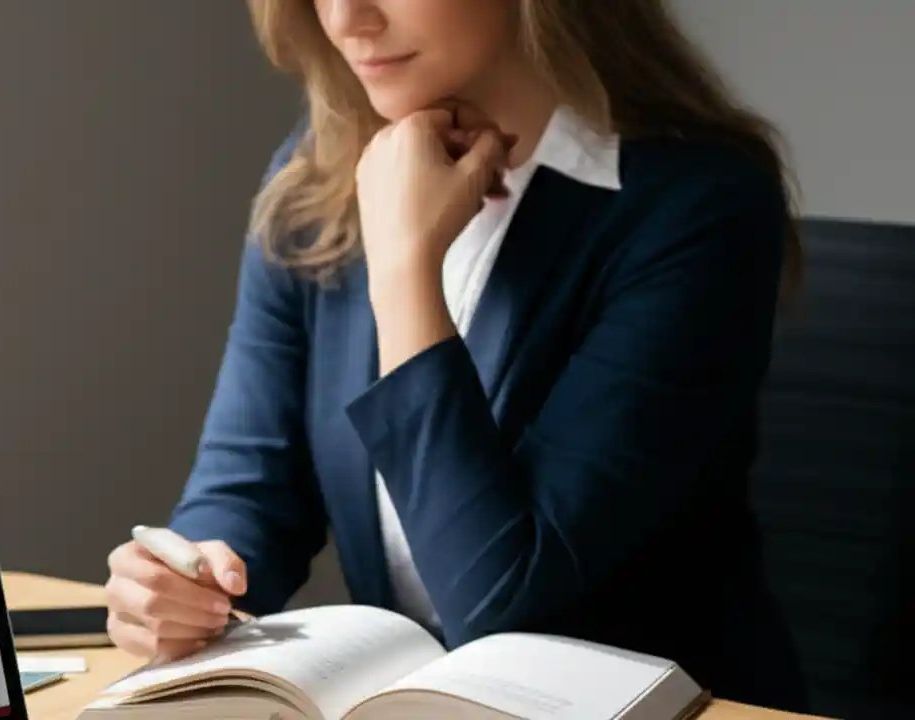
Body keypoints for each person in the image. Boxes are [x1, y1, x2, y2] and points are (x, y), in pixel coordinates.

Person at [105, 0, 807, 709]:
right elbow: (250, 487)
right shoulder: (315, 175)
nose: (346, 20)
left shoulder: (698, 205)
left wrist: (404, 268)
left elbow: (504, 606)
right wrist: (182, 582)